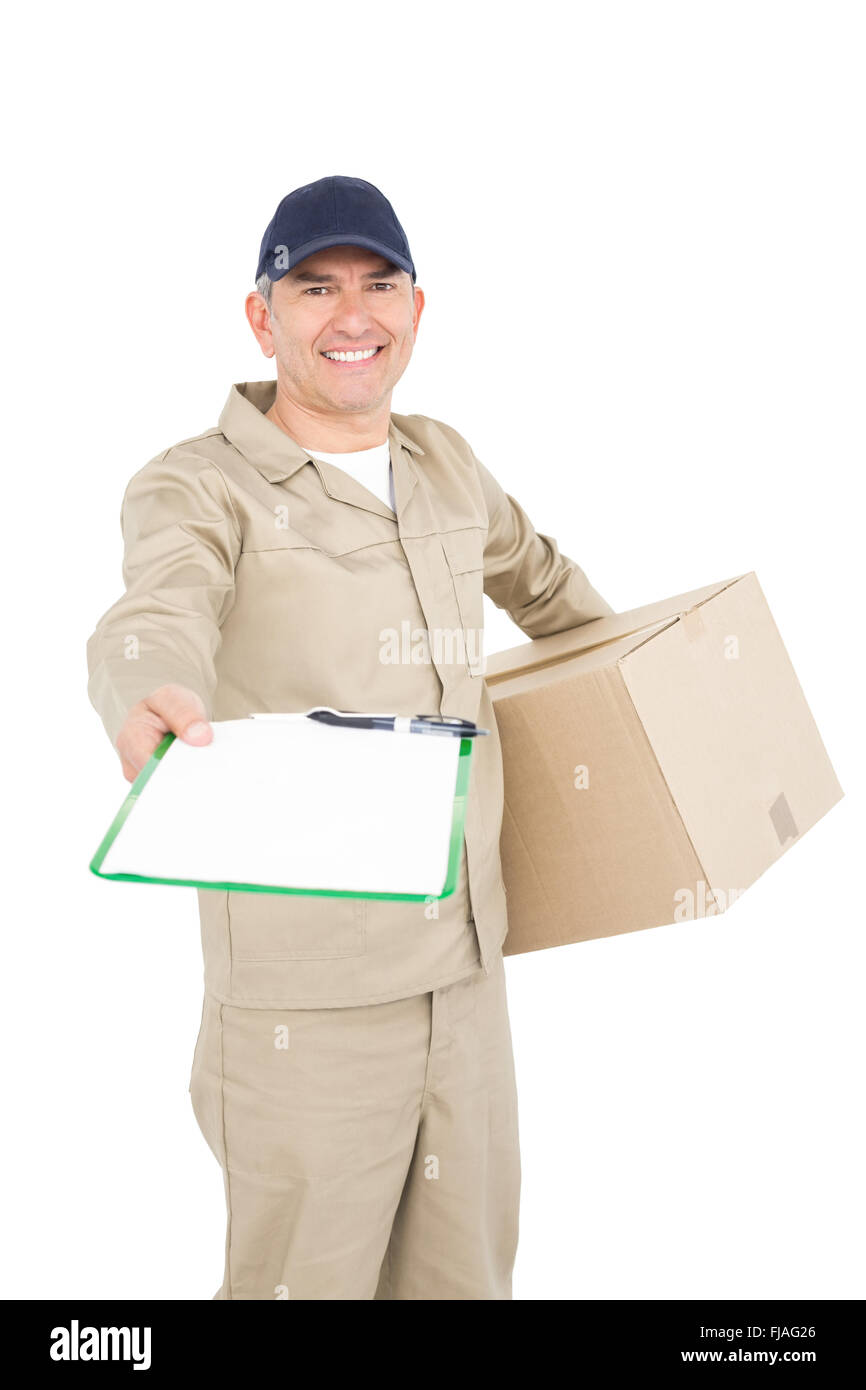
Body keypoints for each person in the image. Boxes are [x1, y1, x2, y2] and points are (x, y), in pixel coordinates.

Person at [86, 174, 614, 1300]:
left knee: (463, 1288)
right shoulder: (199, 487)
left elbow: (552, 591)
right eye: (314, 286)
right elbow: (157, 609)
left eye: (377, 283)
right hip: (306, 1010)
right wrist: (149, 690)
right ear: (260, 314)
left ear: (418, 308)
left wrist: (660, 699)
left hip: (466, 982)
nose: (351, 313)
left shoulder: (444, 464)